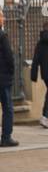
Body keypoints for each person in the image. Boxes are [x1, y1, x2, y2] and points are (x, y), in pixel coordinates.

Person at [0, 9, 17, 147]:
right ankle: (6, 137)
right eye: (1, 16)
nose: (4, 18)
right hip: (3, 77)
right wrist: (11, 72)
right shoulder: (2, 36)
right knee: (7, 107)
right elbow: (9, 57)